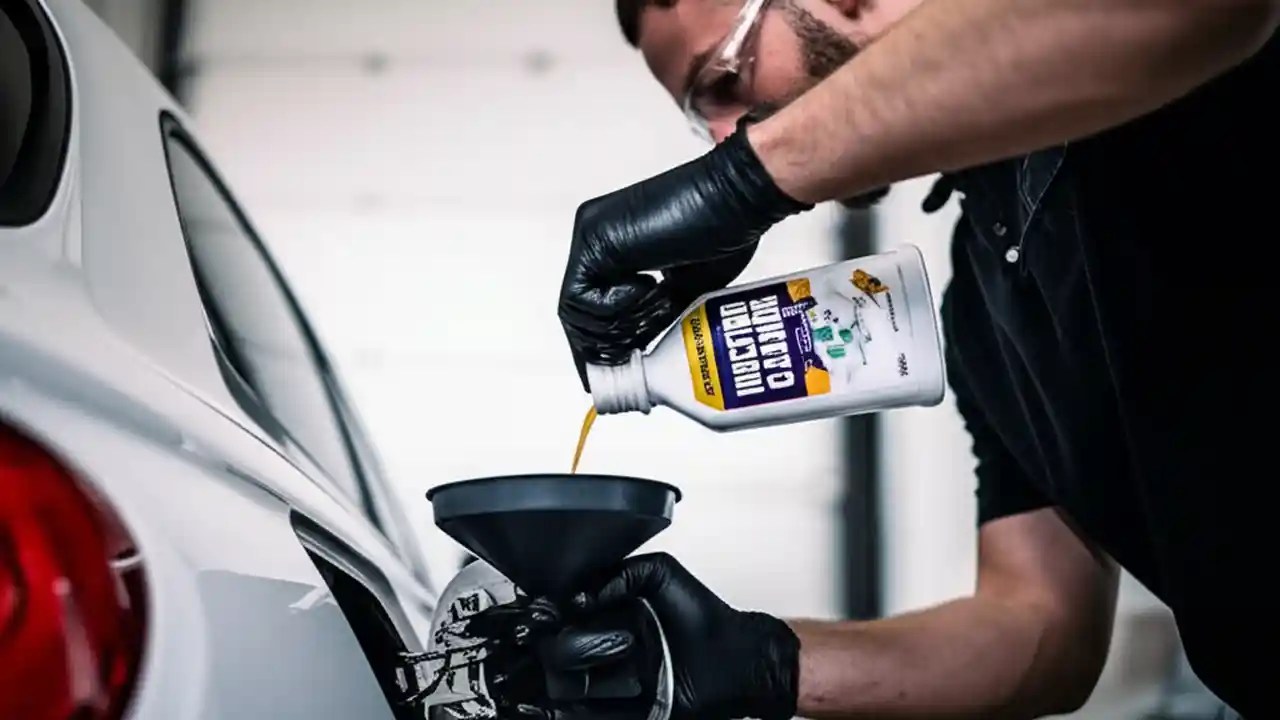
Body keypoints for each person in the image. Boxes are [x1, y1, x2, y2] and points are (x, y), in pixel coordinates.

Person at [484, 1, 1279, 718]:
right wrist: (761, 663)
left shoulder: (1158, 86)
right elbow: (1039, 630)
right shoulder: (981, 309)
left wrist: (746, 182)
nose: (729, 135)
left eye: (725, 79)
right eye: (706, 125)